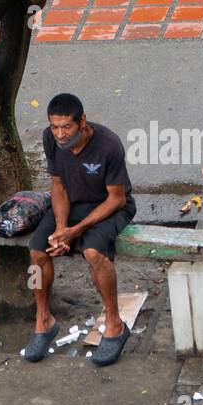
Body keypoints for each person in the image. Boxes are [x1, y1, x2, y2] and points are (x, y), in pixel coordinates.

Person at [23, 92, 136, 367]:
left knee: (93, 252)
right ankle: (44, 320)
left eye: (67, 127)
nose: (60, 134)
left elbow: (117, 198)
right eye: (55, 127)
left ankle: (114, 323)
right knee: (37, 252)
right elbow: (58, 186)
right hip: (71, 204)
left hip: (109, 205)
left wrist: (77, 231)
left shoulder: (108, 145)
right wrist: (62, 228)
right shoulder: (50, 139)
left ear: (82, 121)